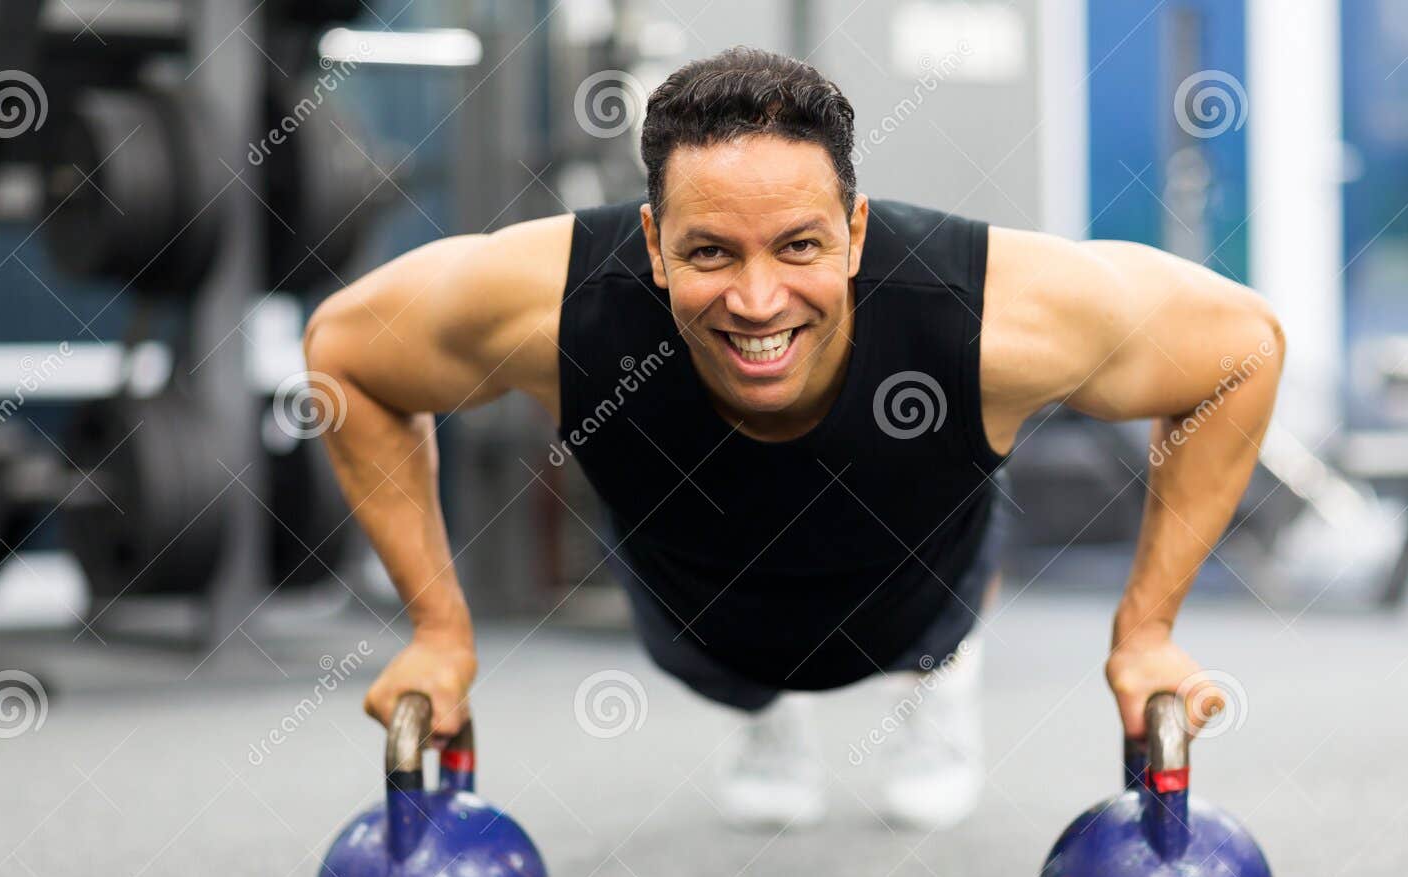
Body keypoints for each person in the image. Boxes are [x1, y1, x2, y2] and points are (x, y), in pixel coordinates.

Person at [303, 47, 1284, 832]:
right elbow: (347, 355)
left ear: (855, 230)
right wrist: (439, 631)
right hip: (698, 616)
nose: (758, 299)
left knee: (954, 515)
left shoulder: (987, 310)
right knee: (739, 667)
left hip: (919, 596)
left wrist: (1146, 631)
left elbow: (1242, 348)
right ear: (652, 245)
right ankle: (767, 709)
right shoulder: (556, 301)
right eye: (709, 251)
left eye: (799, 246)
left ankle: (939, 687)